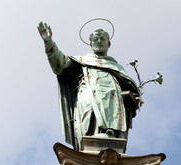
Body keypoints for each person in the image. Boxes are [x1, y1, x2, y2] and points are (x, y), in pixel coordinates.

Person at [38, 22, 140, 150]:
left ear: (108, 44)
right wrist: (49, 43)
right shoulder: (82, 61)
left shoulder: (116, 67)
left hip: (112, 97)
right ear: (90, 44)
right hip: (88, 94)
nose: (99, 41)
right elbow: (60, 65)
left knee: (111, 121)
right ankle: (88, 141)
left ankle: (110, 135)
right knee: (89, 118)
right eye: (95, 39)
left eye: (102, 39)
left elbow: (130, 87)